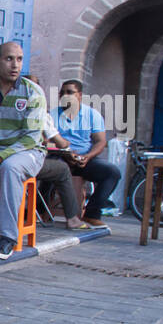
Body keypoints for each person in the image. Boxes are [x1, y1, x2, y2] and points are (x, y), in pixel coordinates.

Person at [0, 42, 45, 259]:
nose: (15, 65)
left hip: (29, 151)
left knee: (10, 168)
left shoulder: (32, 92)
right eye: (9, 59)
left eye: (20, 59)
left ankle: (7, 238)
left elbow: (31, 138)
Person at [54, 78, 121, 225]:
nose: (65, 95)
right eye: (62, 93)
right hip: (60, 157)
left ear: (80, 96)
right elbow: (47, 140)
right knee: (50, 168)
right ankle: (41, 212)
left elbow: (100, 141)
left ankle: (91, 214)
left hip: (84, 159)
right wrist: (65, 153)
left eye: (70, 92)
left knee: (112, 172)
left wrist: (87, 157)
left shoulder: (92, 115)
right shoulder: (52, 115)